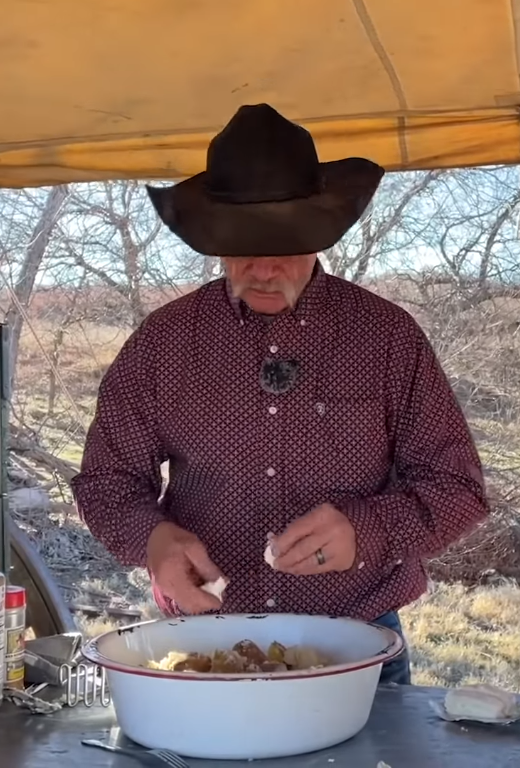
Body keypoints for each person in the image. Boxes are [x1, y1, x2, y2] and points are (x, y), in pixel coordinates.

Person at [72, 104, 490, 686]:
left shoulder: (386, 337)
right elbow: (106, 482)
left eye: (287, 244)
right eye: (246, 243)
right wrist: (153, 540)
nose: (266, 268)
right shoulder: (164, 343)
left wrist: (365, 529)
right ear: (215, 238)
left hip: (356, 643)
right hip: (202, 642)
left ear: (320, 234)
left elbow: (458, 489)